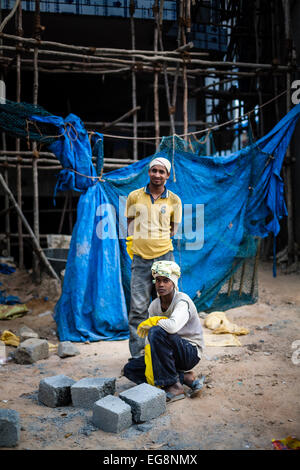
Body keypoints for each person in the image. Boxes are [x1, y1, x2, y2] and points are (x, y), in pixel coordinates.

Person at [125, 157, 182, 359]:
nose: (157, 175)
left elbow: (173, 229)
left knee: (168, 307)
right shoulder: (134, 196)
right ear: (148, 172)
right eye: (154, 171)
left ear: (168, 175)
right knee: (139, 308)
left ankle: (167, 353)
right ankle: (138, 356)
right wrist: (137, 244)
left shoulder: (174, 200)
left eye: (162, 172)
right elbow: (130, 224)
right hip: (140, 260)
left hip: (165, 259)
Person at [123, 260, 205, 402]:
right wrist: (150, 358)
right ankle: (184, 377)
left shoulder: (182, 301)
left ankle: (174, 387)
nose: (161, 284)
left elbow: (172, 327)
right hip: (168, 354)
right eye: (158, 280)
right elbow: (151, 341)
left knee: (156, 331)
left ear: (173, 282)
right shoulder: (155, 305)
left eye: (166, 280)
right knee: (131, 368)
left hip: (188, 353)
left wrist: (154, 321)